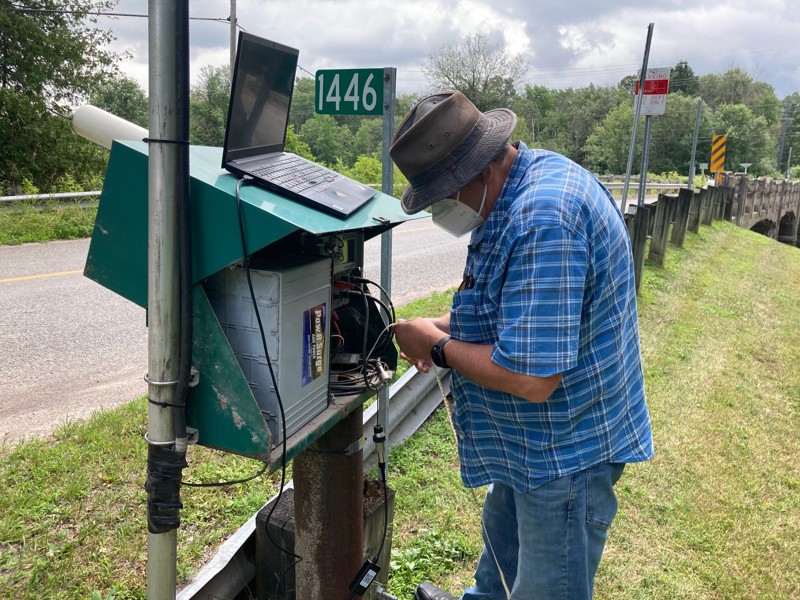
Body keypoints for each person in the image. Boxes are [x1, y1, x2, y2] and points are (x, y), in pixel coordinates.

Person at [389, 90, 653, 600]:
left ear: (478, 171)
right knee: (499, 570)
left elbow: (533, 378)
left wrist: (438, 347)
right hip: (532, 447)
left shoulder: (543, 220)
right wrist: (437, 325)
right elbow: (518, 305)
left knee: (545, 588)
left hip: (565, 451)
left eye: (443, 197)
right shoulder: (523, 181)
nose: (443, 211)